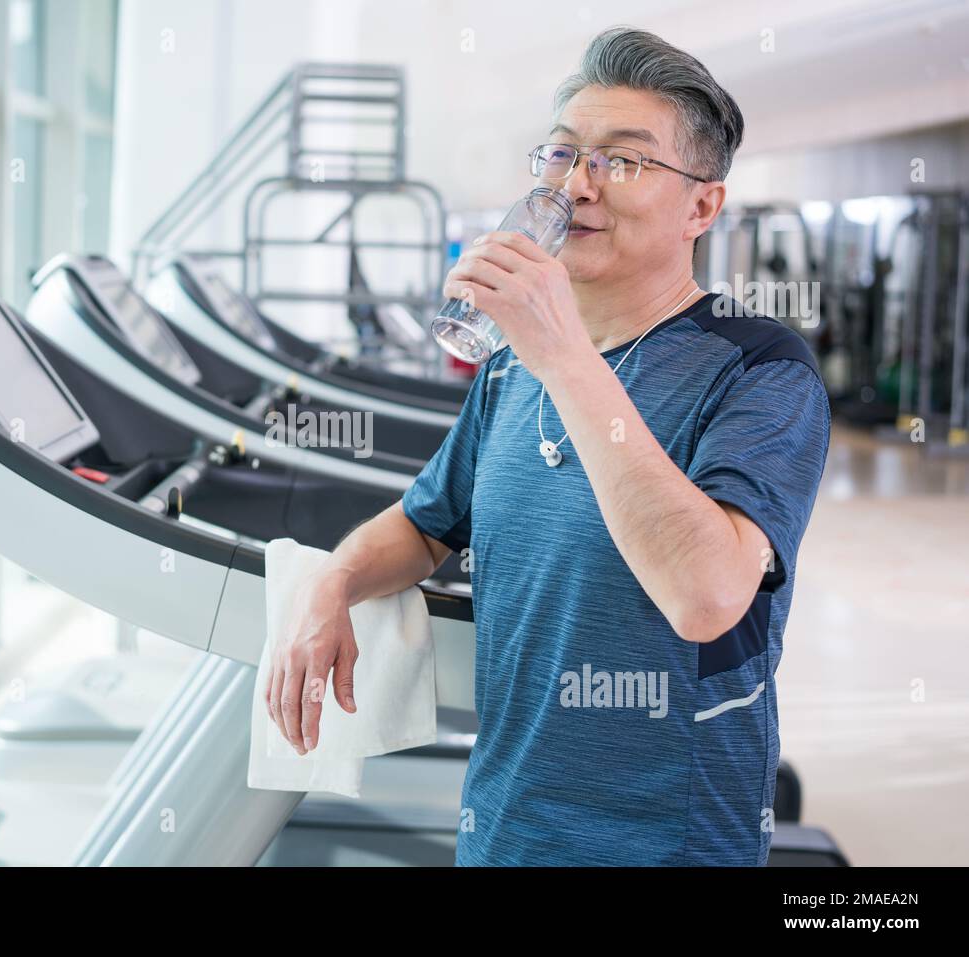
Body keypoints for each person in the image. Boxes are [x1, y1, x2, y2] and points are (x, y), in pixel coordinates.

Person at [262, 26, 831, 865]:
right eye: (563, 156)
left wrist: (563, 353)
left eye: (625, 161)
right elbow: (426, 524)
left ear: (702, 207)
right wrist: (330, 581)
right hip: (503, 826)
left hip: (666, 841)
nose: (579, 188)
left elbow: (707, 595)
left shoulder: (759, 370)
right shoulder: (509, 368)